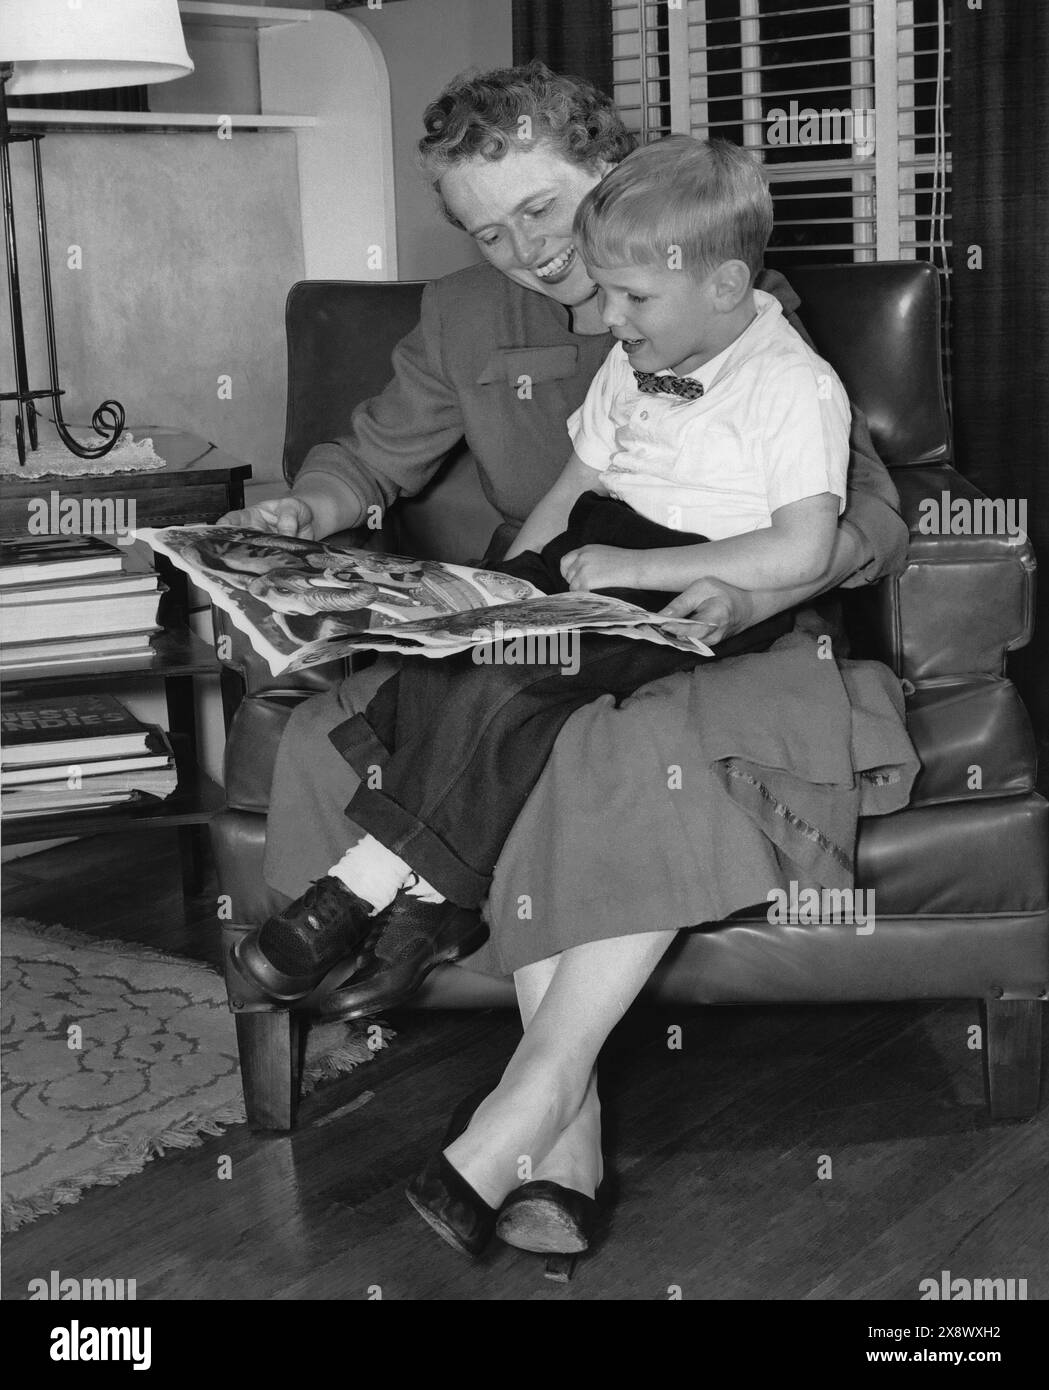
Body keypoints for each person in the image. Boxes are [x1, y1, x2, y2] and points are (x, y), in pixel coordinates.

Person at [219, 63, 912, 1265]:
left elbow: (867, 516)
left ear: (609, 174)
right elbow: (373, 457)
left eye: (540, 212)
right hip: (559, 612)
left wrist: (746, 585)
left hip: (716, 627)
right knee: (517, 711)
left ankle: (533, 1101)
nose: (527, 254)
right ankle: (557, 1131)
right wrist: (308, 514)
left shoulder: (717, 299)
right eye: (489, 230)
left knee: (603, 745)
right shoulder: (459, 318)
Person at [233, 135, 852, 1034]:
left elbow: (805, 544)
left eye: (536, 211)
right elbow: (567, 496)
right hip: (595, 552)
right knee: (455, 657)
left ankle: (379, 888)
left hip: (688, 572)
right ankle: (423, 901)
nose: (606, 316)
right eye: (489, 232)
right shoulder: (628, 350)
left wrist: (641, 572)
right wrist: (490, 597)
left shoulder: (781, 368)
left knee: (513, 684)